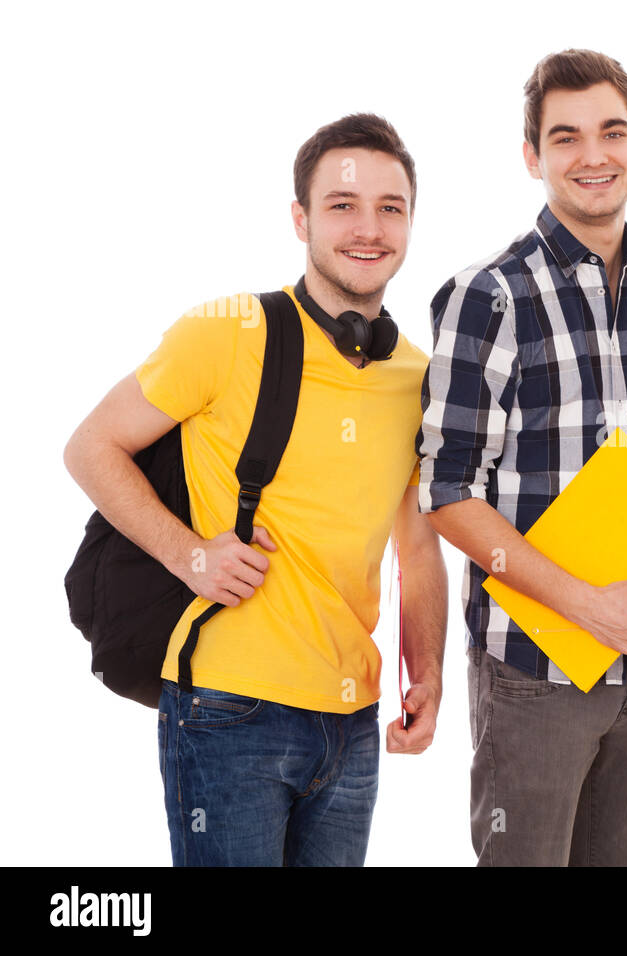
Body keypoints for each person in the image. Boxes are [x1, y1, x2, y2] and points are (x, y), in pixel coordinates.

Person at [63, 114, 448, 866]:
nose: (369, 228)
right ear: (301, 219)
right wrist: (189, 555)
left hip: (353, 718)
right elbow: (90, 447)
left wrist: (425, 669)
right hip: (227, 708)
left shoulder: (418, 378)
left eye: (390, 207)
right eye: (342, 205)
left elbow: (420, 544)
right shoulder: (226, 333)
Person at [416, 49, 627, 866]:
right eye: (565, 137)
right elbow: (447, 491)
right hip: (534, 670)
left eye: (611, 132)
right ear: (532, 156)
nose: (592, 155)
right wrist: (583, 604)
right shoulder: (489, 295)